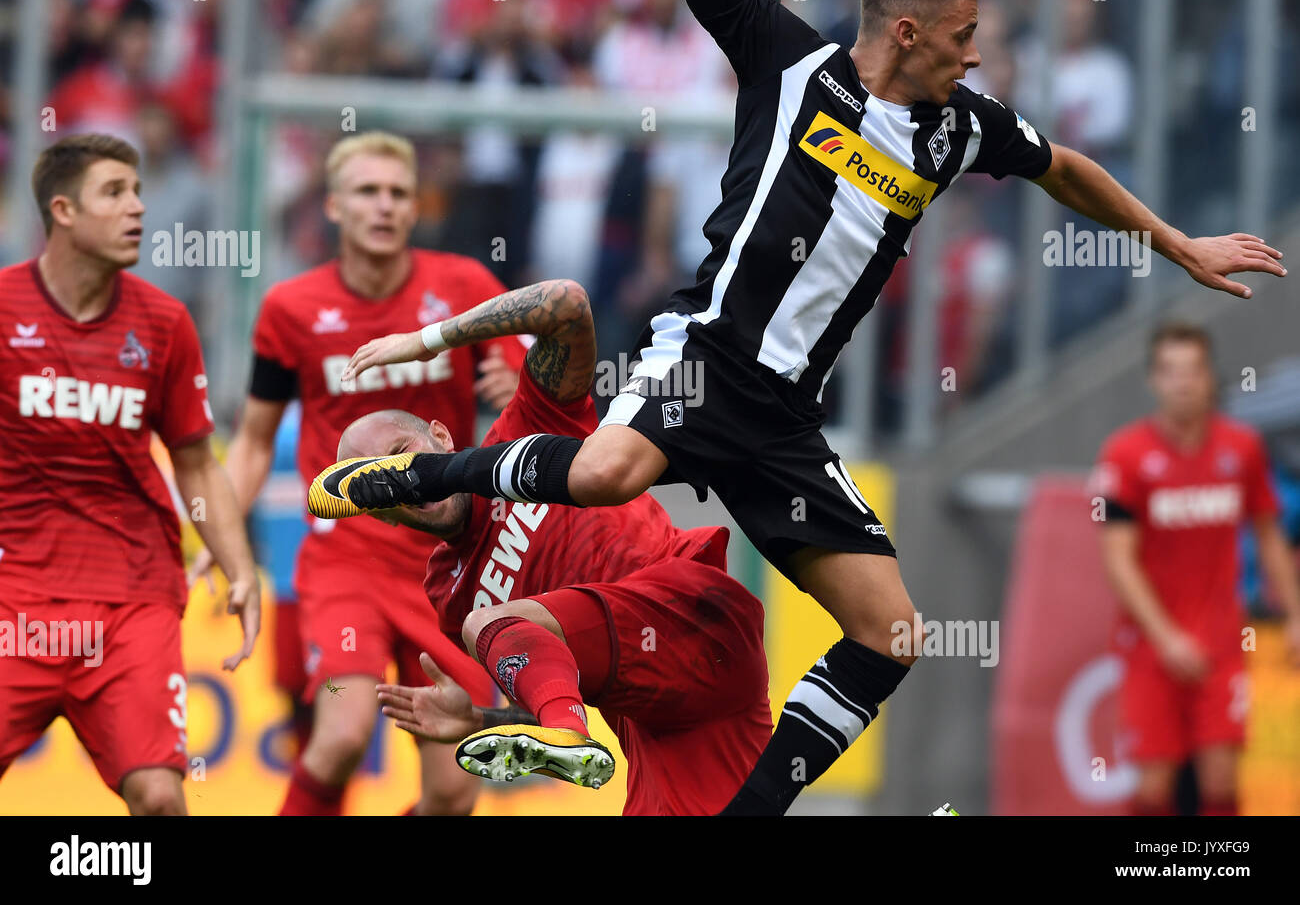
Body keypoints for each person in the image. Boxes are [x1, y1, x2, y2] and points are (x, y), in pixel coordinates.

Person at [326, 0, 1286, 816]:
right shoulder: (789, 62)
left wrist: (1175, 242)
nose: (977, 56)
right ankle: (420, 478)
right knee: (607, 473)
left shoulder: (959, 128)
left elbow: (1064, 169)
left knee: (892, 633)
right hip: (707, 361)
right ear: (905, 31)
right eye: (963, 37)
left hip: (784, 417)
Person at [311, 279, 771, 815]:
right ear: (384, 518)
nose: (404, 482)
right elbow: (551, 688)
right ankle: (568, 736)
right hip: (662, 721)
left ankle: (569, 736)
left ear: (440, 435)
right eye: (380, 486)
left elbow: (567, 303)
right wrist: (477, 723)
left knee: (487, 626)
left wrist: (428, 339)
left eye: (401, 456)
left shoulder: (527, 426)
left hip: (692, 617)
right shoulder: (448, 596)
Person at [190, 131, 528, 816]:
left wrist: (518, 382)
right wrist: (220, 539)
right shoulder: (291, 309)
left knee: (455, 792)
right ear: (335, 206)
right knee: (342, 735)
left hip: (453, 564)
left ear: (416, 207)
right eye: (368, 192)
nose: (384, 205)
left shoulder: (462, 286)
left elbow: (551, 379)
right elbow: (253, 441)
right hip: (345, 558)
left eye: (399, 193)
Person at [0, 134, 259, 814]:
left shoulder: (166, 323)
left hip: (130, 599)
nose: (138, 208)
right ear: (62, 210)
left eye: (139, 191)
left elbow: (197, 464)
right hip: (14, 600)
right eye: (115, 193)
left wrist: (239, 569)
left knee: (160, 799)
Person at [1094, 322, 1300, 816]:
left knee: (1222, 780)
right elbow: (1118, 560)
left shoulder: (1242, 448)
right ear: (1152, 381)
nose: (1182, 382)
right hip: (1149, 646)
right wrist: (1166, 638)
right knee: (1153, 784)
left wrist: (1293, 613)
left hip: (1223, 640)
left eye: (1193, 370)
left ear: (1211, 378)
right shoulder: (1125, 457)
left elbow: (1269, 534)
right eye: (1170, 371)